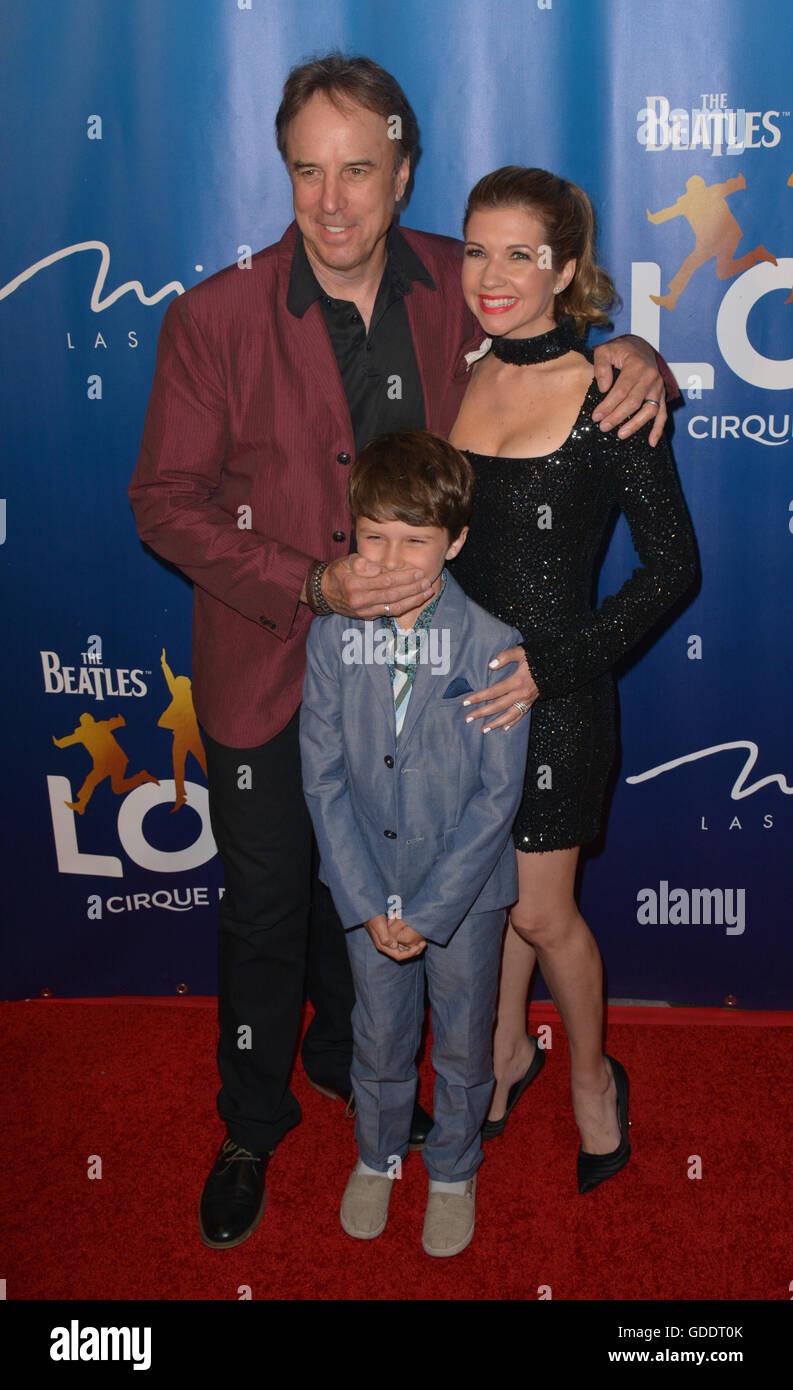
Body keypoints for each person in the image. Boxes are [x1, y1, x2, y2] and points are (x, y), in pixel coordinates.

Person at [128, 53, 674, 1249]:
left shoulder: (452, 284)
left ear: (402, 172)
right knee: (270, 905)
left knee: (374, 907)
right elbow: (163, 502)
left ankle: (352, 1074)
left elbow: (558, 333)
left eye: (359, 172)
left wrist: (636, 356)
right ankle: (250, 1121)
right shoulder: (213, 318)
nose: (332, 203)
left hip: (438, 689)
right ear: (284, 172)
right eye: (307, 172)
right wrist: (310, 581)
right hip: (276, 666)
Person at [448, 167, 698, 1192]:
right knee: (491, 893)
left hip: (556, 697)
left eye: (519, 254)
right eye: (475, 251)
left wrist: (555, 664)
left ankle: (592, 1078)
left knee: (543, 913)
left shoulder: (609, 394)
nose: (491, 276)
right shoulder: (460, 368)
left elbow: (672, 566)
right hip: (461, 692)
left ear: (565, 269)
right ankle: (505, 1054)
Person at [300, 430, 530, 1256]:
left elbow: (496, 799)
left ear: (457, 541)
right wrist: (366, 903)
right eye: (372, 538)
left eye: (416, 541)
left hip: (464, 898)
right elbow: (321, 780)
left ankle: (454, 1169)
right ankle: (376, 1156)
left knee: (465, 1044)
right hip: (368, 889)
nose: (390, 561)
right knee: (378, 1035)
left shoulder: (493, 646)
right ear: (350, 531)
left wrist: (428, 911)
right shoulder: (331, 638)